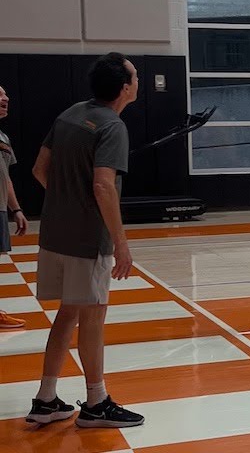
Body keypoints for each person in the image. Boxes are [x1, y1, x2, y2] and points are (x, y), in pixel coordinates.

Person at [27, 53, 144, 428]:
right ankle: (96, 403)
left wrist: (67, 203)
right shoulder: (112, 126)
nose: (138, 81)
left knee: (68, 313)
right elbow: (103, 186)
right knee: (93, 318)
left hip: (53, 235)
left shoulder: (70, 114)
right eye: (135, 76)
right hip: (87, 240)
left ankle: (46, 399)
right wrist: (121, 243)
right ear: (125, 88)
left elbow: (39, 169)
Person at [1, 84, 31, 329]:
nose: (6, 98)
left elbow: (6, 177)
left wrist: (16, 209)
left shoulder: (3, 138)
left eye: (5, 94)